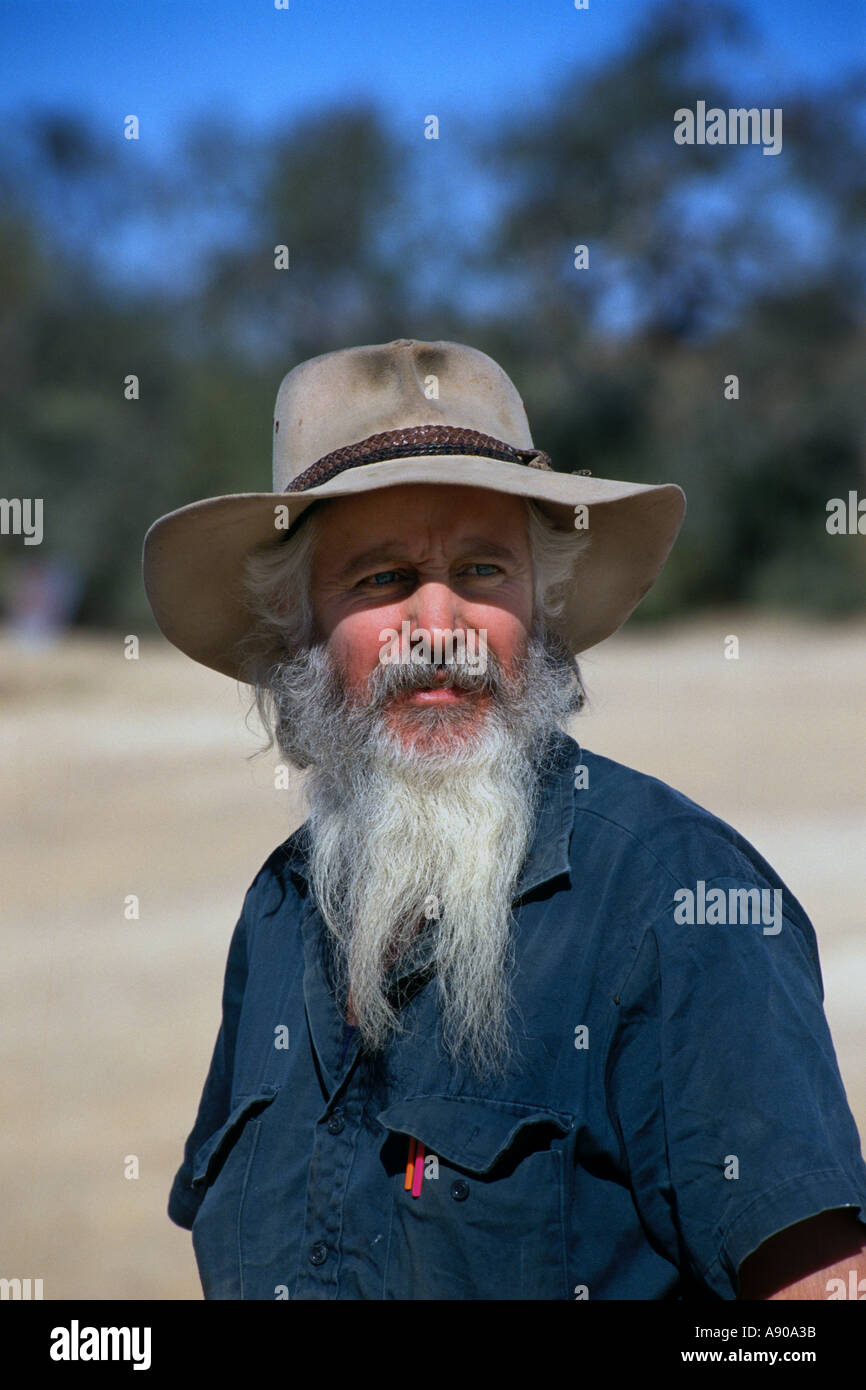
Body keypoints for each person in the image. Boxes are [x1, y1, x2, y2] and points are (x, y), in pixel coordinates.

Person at [143, 337, 866, 1300]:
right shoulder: (279, 909)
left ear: (542, 605)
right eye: (380, 579)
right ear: (298, 628)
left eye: (484, 571)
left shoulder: (676, 898)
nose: (438, 626)